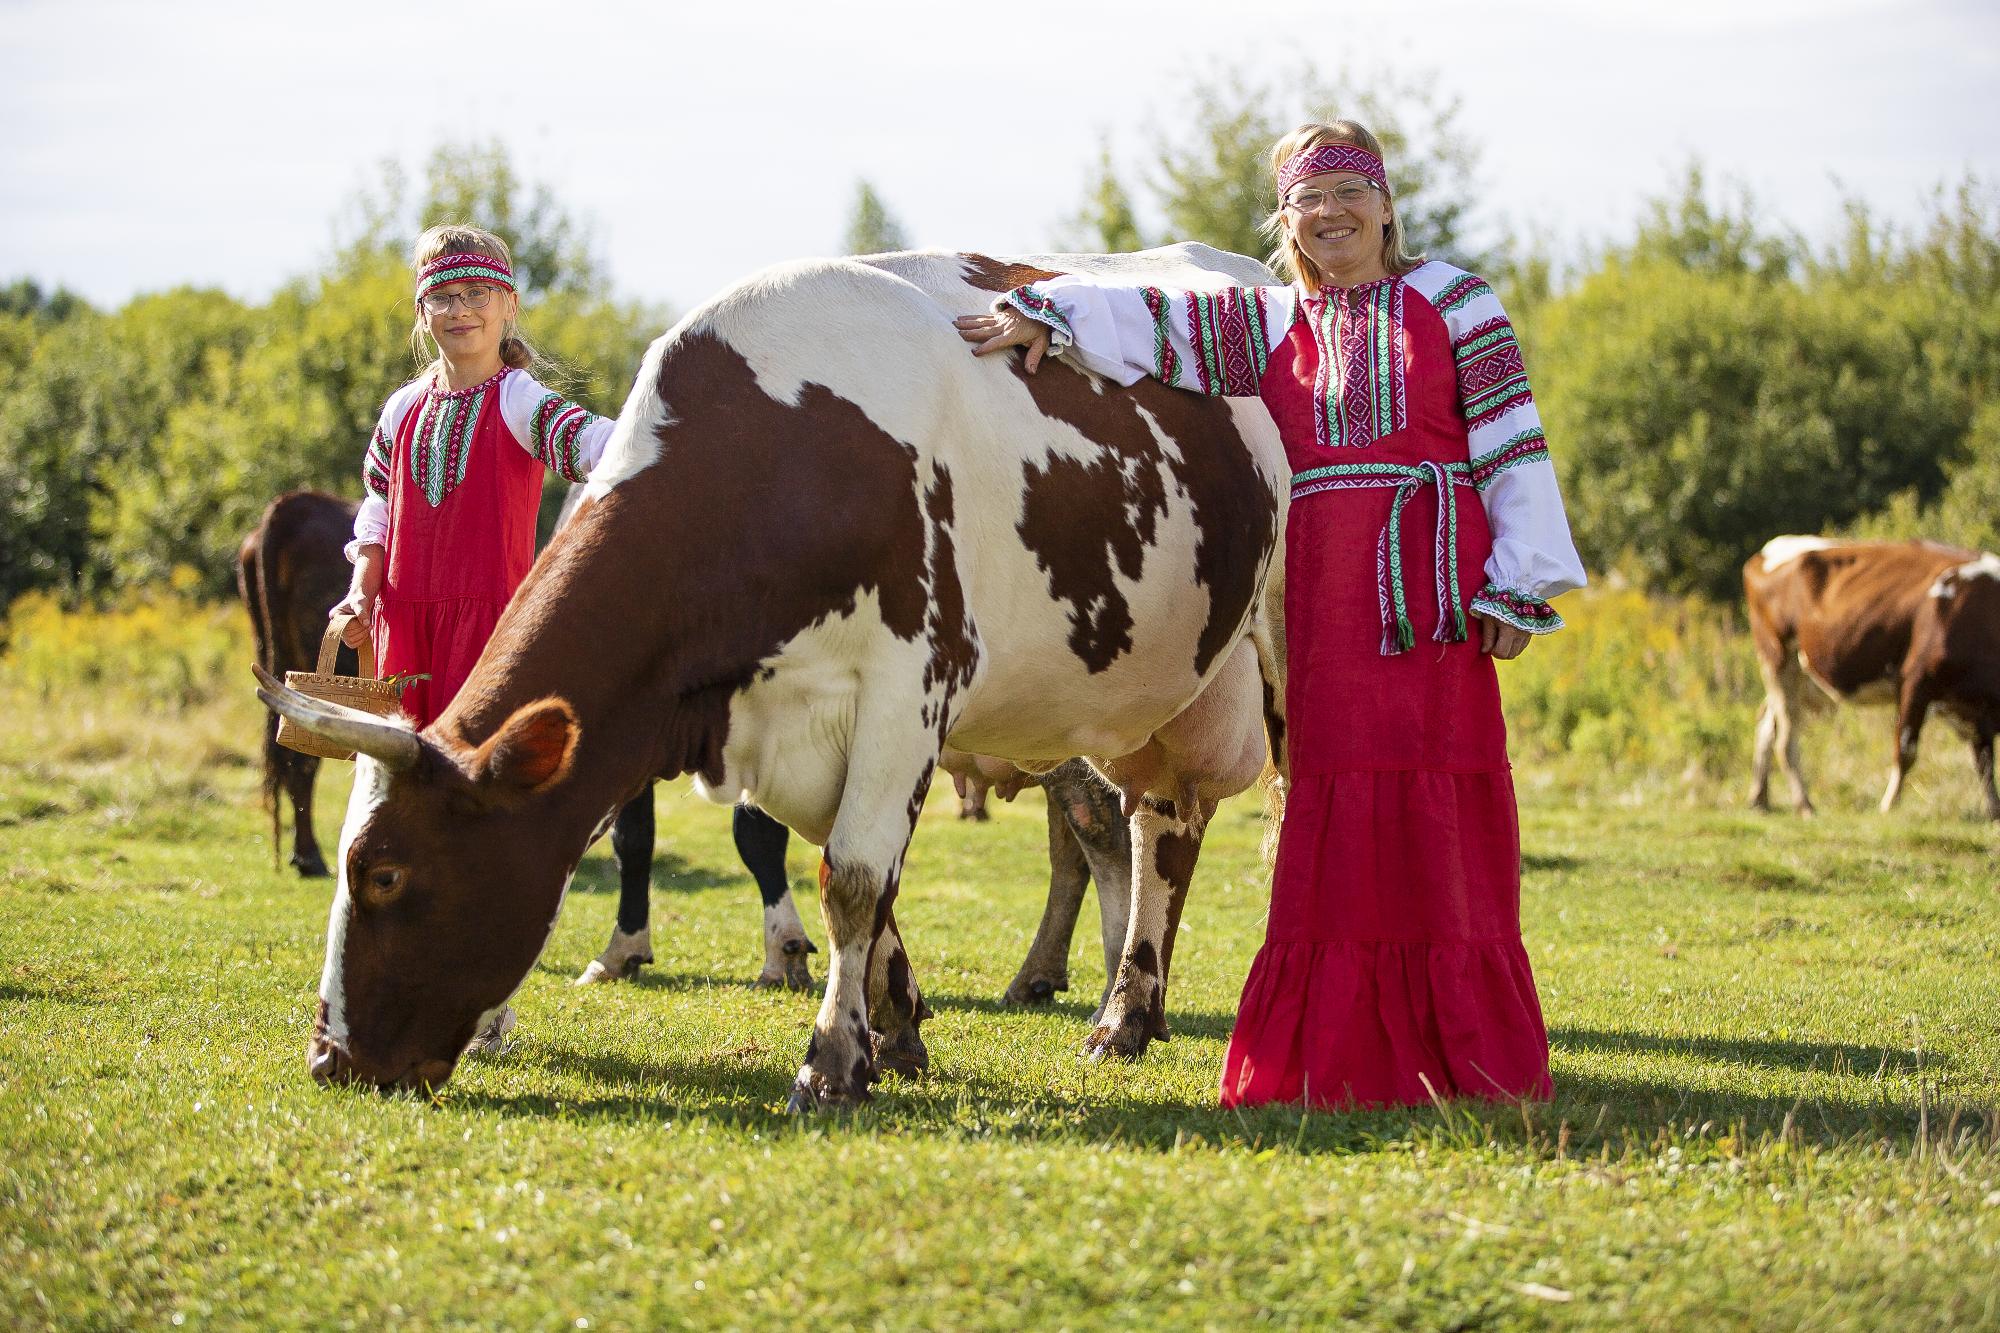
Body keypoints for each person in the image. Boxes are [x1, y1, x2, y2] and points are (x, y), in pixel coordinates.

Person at [955, 120, 1586, 1109]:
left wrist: (1518, 578)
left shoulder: (1454, 300)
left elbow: (1511, 440)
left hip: (1428, 588)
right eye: (1306, 197)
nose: (1328, 213)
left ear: (1383, 205)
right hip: (1316, 602)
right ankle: (1336, 1050)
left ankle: (1462, 1042)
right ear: (1284, 219)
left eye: (1347, 191)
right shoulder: (1269, 322)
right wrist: (1048, 314)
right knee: (1326, 799)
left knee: (1438, 799)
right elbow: (1155, 321)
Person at [331, 225, 615, 728]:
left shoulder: (518, 398)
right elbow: (377, 513)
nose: (460, 310)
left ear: (509, 304)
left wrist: (675, 429)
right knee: (399, 785)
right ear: (422, 314)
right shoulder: (401, 409)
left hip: (489, 635)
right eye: (441, 297)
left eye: (477, 293)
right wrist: (361, 593)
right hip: (402, 631)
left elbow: (597, 444)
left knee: (472, 780)